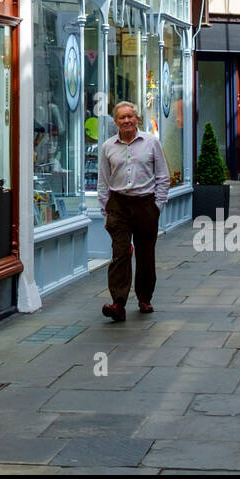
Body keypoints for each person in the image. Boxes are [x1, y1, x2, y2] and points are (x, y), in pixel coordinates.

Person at [97, 101, 170, 322]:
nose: (127, 120)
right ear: (115, 121)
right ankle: (118, 303)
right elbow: (103, 181)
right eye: (122, 117)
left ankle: (144, 298)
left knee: (145, 254)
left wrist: (157, 206)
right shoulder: (108, 146)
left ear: (137, 118)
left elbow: (163, 177)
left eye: (130, 116)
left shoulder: (151, 143)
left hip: (146, 204)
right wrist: (105, 211)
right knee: (120, 254)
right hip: (118, 205)